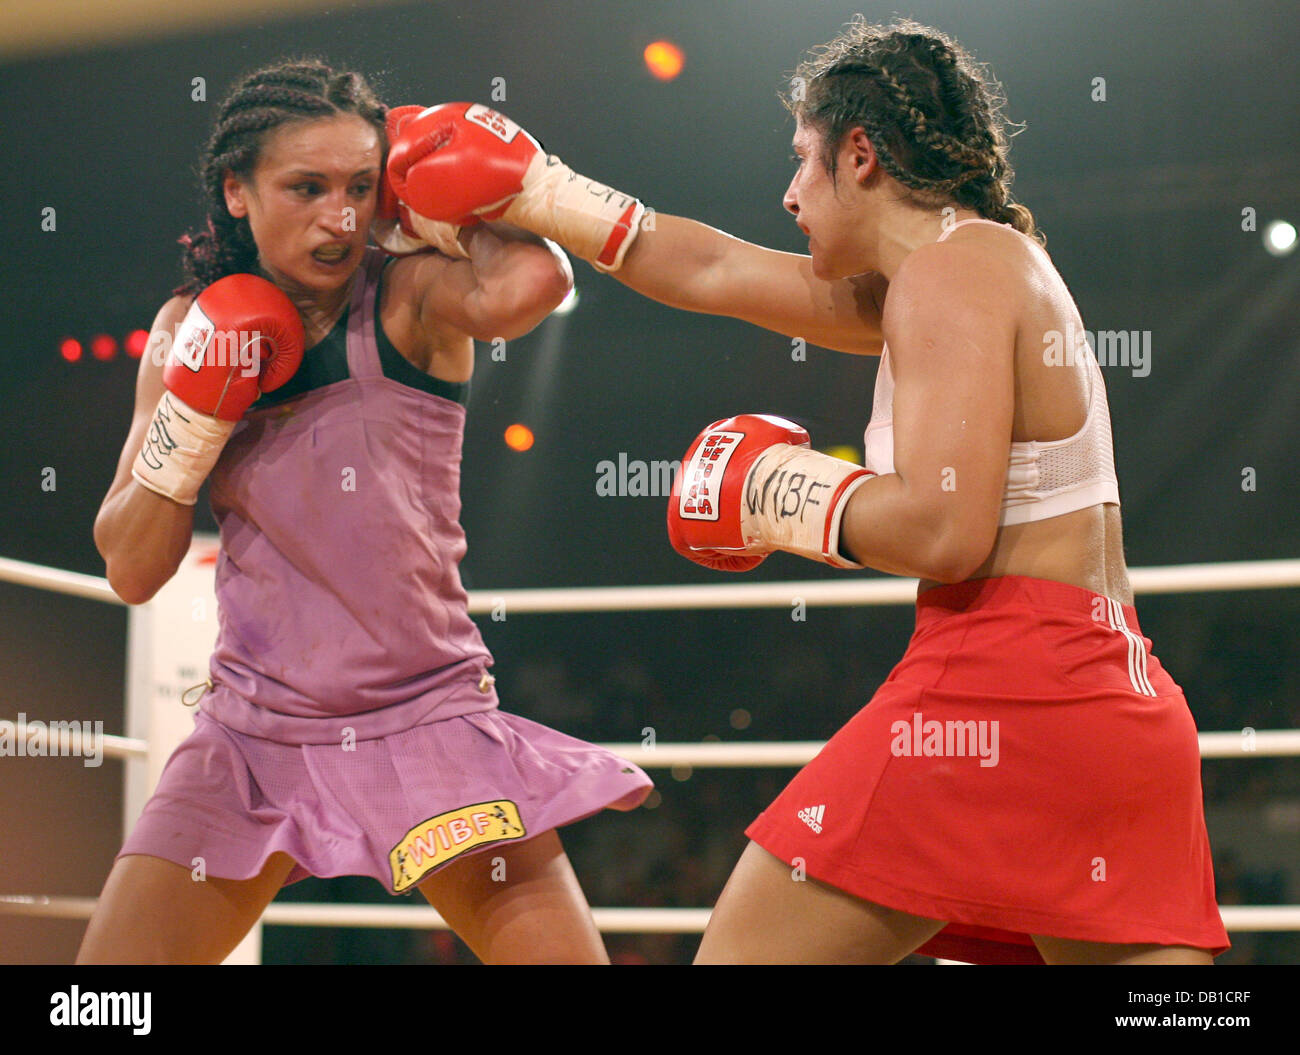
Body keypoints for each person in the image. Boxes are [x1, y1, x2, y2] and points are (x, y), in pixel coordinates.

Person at [386, 18, 1230, 964]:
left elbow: (947, 529)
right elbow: (715, 268)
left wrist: (775, 488)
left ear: (860, 155)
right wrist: (545, 194)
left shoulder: (949, 273)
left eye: (803, 162)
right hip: (1112, 701)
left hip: (1009, 681)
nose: (788, 195)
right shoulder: (959, 269)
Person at [78, 59, 651, 966]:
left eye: (358, 187)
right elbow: (131, 565)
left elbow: (532, 284)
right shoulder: (189, 324)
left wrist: (446, 208)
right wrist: (194, 418)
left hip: (425, 717)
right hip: (251, 732)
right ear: (236, 192)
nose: (338, 218)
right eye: (305, 188)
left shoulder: (408, 293)